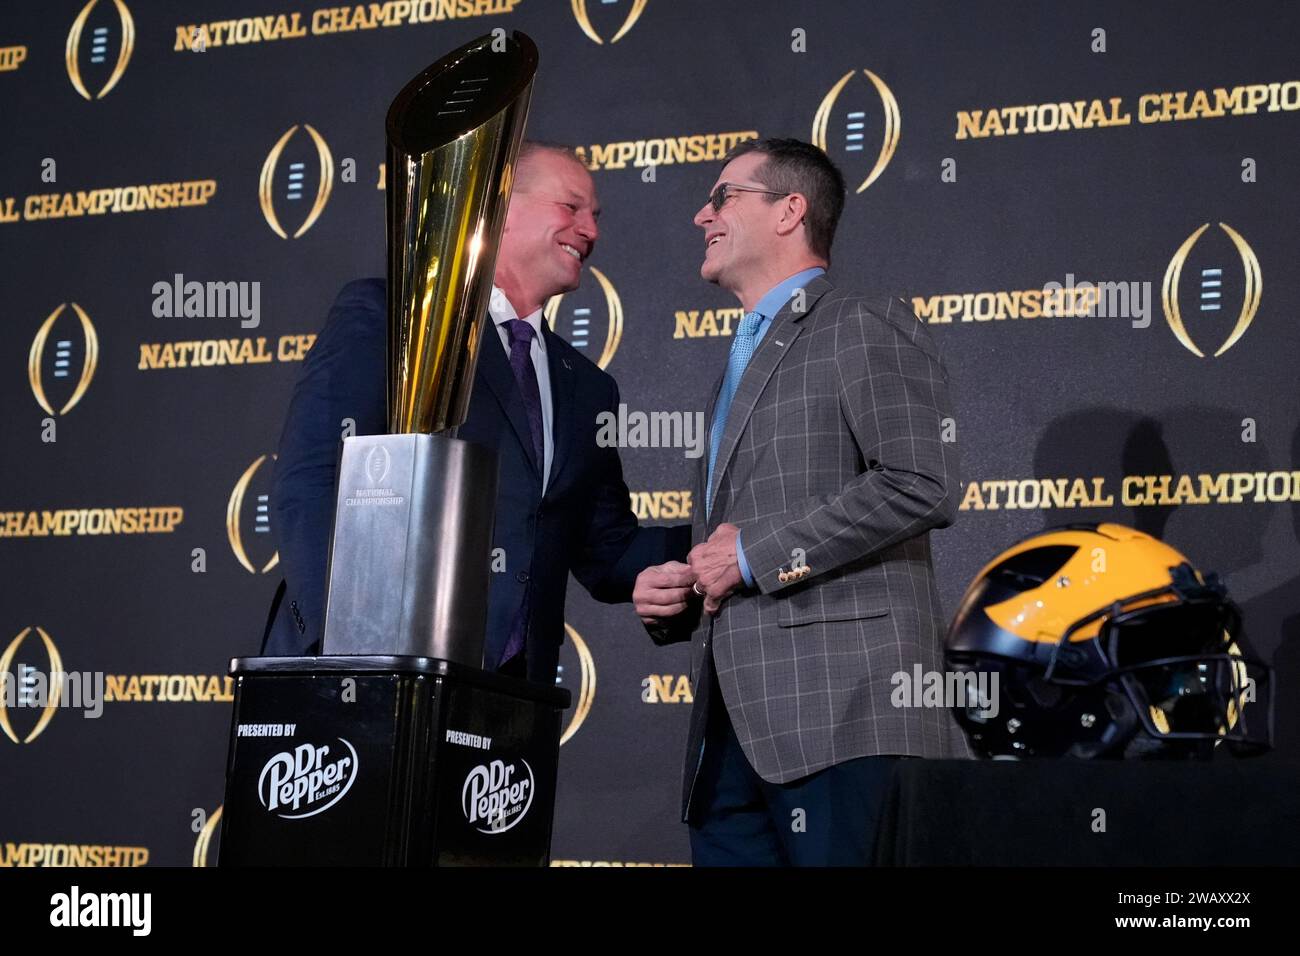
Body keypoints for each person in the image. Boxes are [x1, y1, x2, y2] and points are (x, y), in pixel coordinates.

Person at [633, 138, 962, 865]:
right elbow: (749, 538)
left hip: (845, 723)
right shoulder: (739, 362)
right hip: (727, 738)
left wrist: (750, 556)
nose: (701, 215)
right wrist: (685, 591)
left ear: (790, 210)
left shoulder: (860, 322)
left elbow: (919, 481)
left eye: (722, 196)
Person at [262, 141, 689, 683]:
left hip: (510, 702)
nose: (591, 231)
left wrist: (738, 542)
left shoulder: (589, 387)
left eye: (596, 217)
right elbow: (311, 480)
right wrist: (345, 641)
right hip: (363, 675)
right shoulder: (397, 318)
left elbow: (608, 549)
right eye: (572, 207)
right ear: (499, 205)